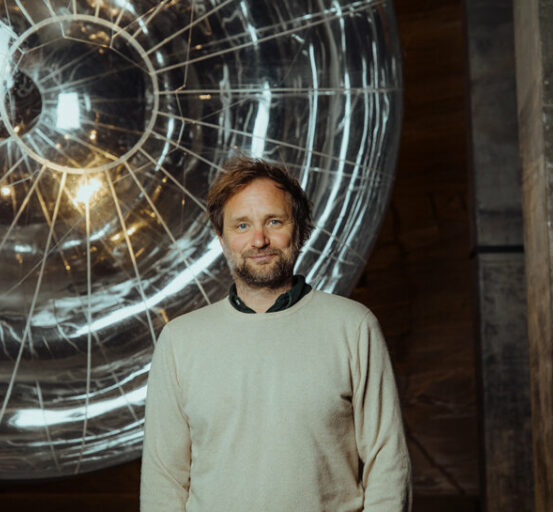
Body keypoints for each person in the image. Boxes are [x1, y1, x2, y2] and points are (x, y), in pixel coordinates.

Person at [140, 157, 411, 512]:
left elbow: (388, 464)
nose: (259, 240)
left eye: (274, 221)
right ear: (222, 239)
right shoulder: (179, 341)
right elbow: (165, 481)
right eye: (241, 226)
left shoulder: (354, 327)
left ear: (298, 231)